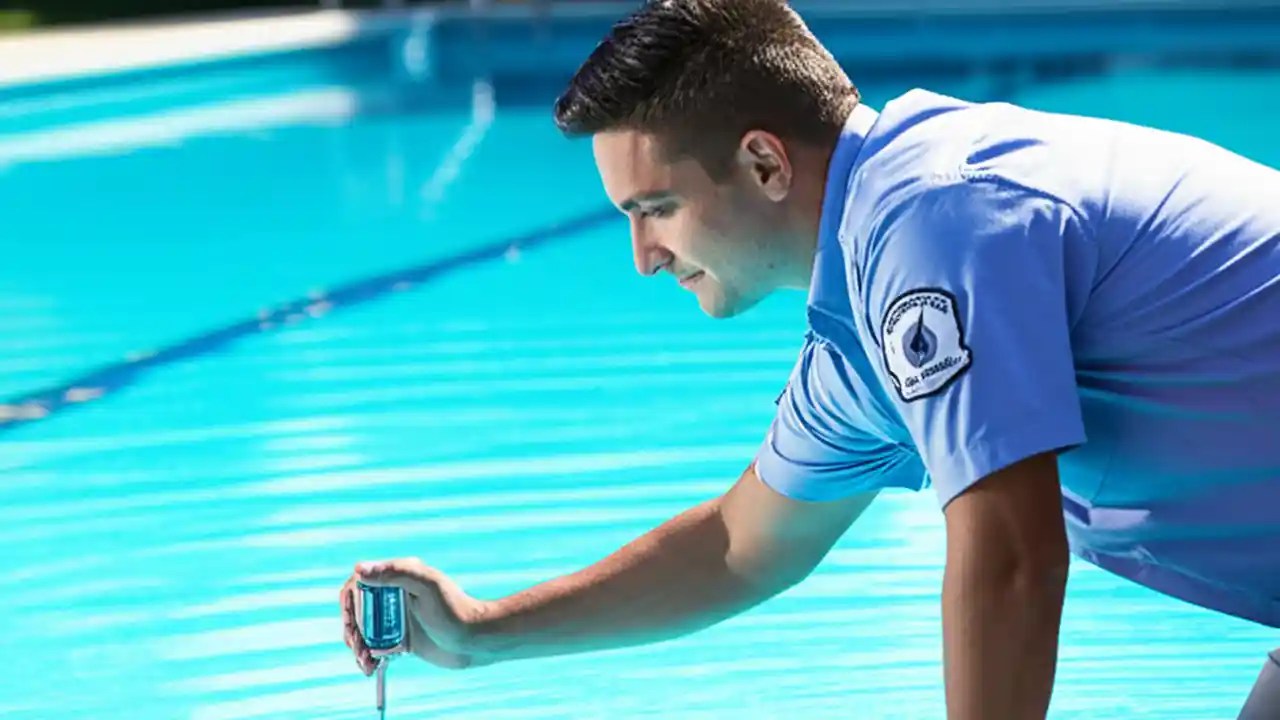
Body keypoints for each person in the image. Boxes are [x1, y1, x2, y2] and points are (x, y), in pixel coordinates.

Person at [339, 1, 1280, 717]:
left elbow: (1011, 557)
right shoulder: (869, 323)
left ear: (763, 163)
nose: (644, 257)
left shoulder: (933, 220)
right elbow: (738, 549)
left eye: (653, 209)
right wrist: (479, 634)